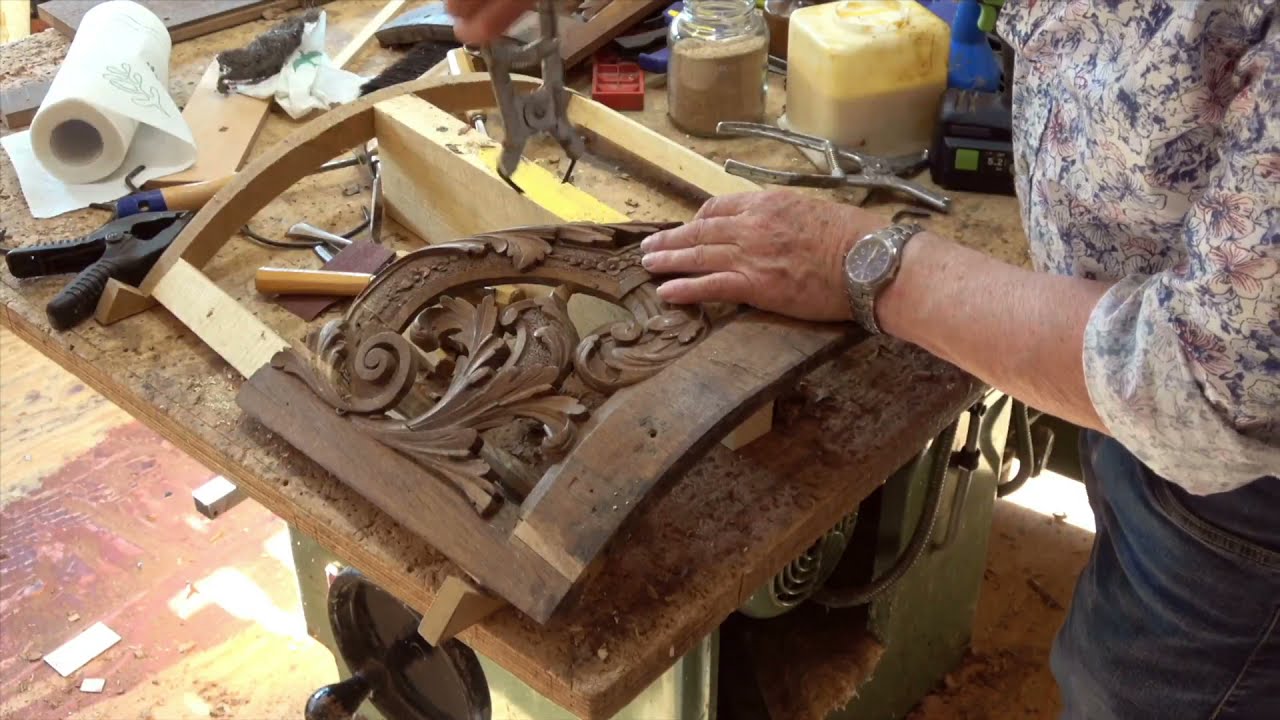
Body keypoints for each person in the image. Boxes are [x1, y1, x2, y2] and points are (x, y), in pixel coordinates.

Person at [448, 1, 1280, 717]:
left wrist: (870, 264)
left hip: (1246, 504)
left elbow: (1201, 383)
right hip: (1125, 377)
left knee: (1136, 689)